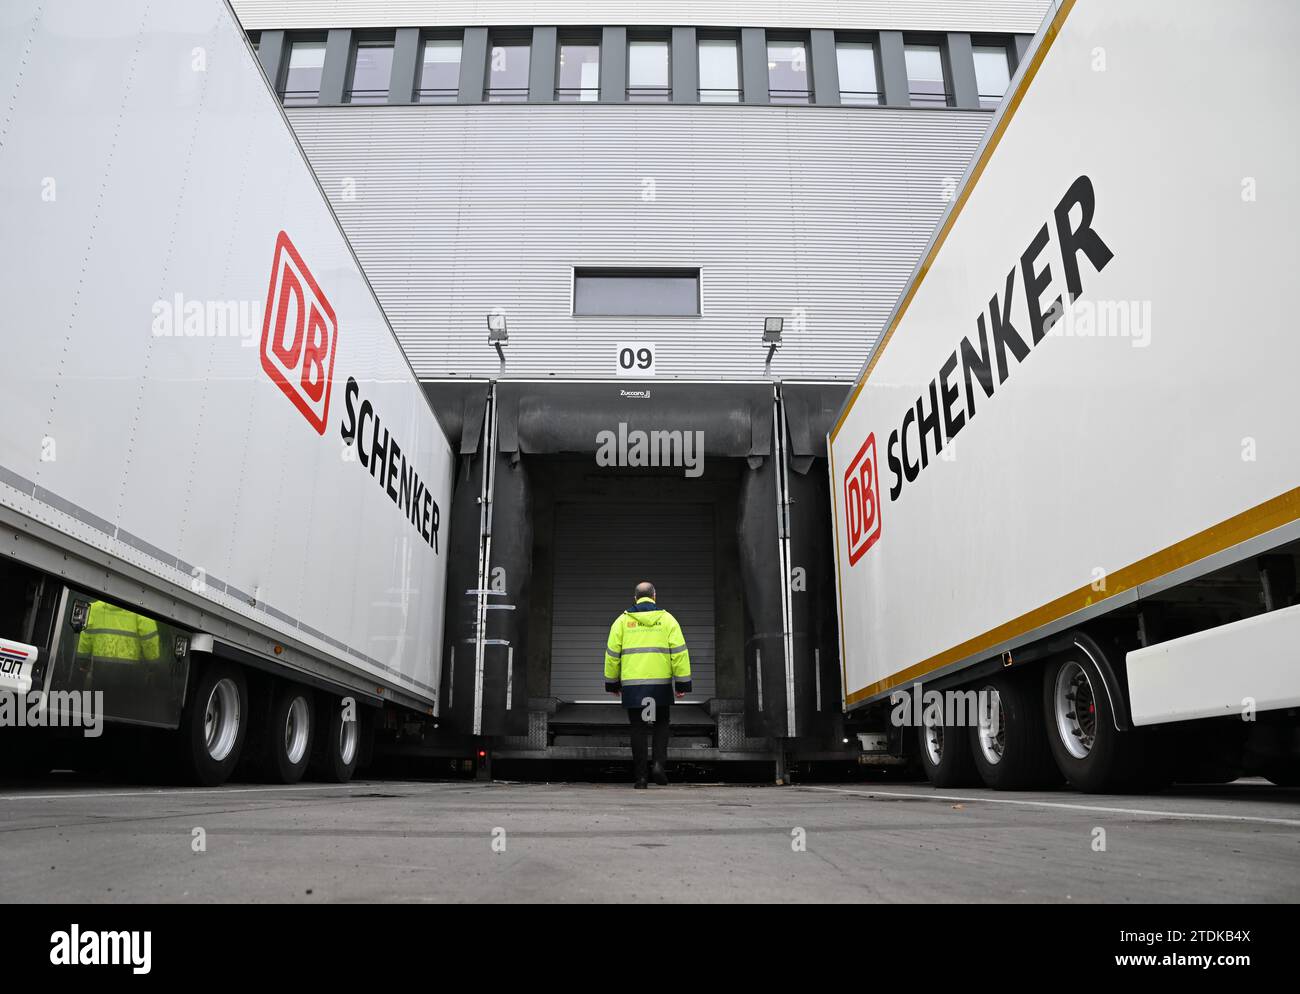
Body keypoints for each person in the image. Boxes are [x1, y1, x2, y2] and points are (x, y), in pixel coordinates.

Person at [604, 581, 691, 788]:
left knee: (638, 728)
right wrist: (682, 684)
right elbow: (679, 654)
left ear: (635, 599)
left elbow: (612, 656)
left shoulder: (622, 622)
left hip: (634, 688)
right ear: (654, 596)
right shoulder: (668, 620)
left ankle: (641, 777)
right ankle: (659, 766)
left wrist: (612, 683)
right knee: (661, 726)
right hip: (659, 686)